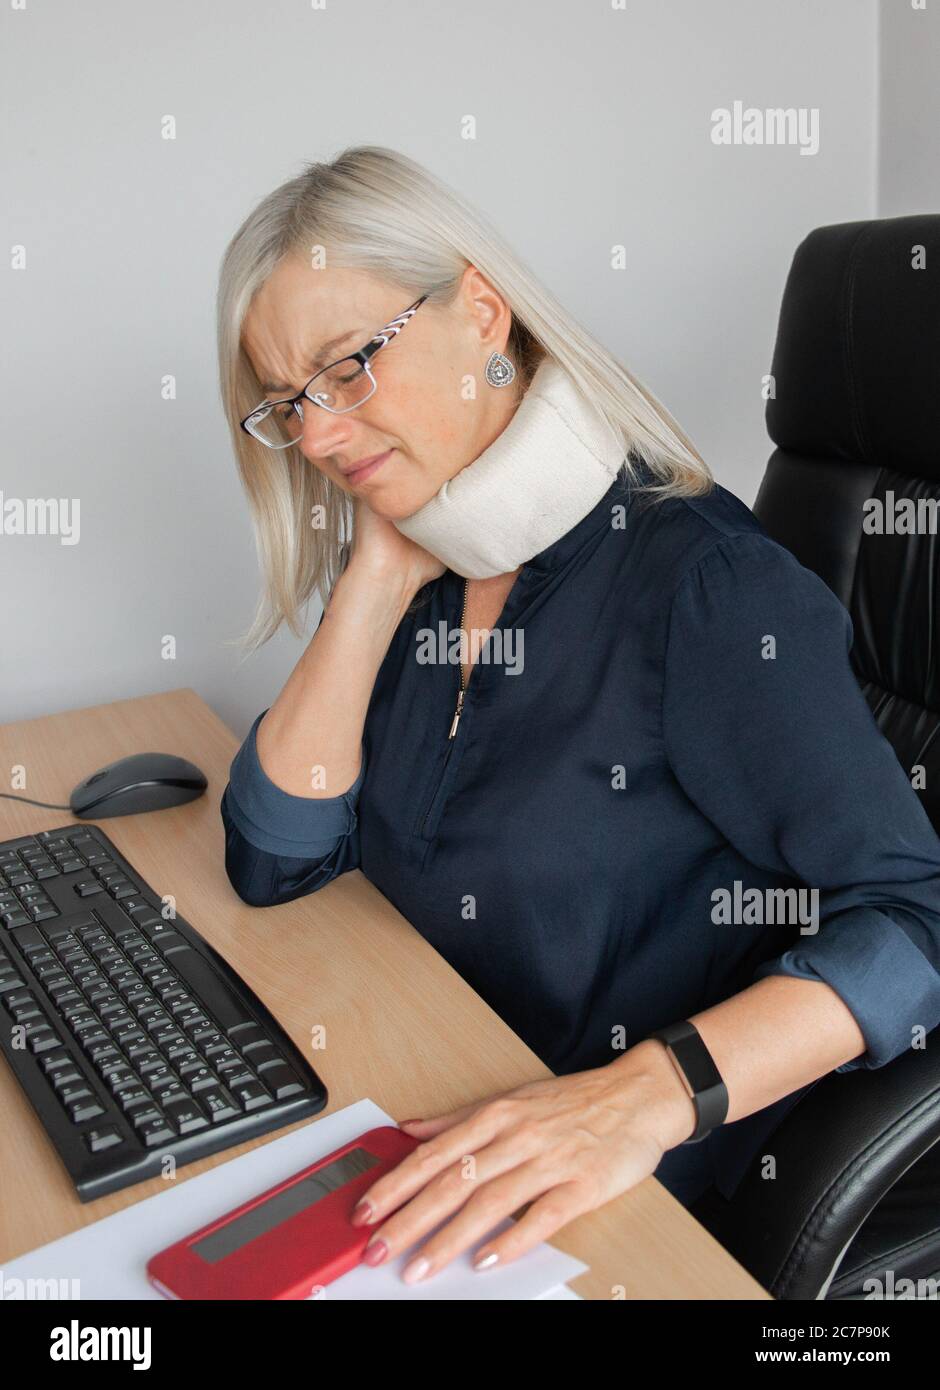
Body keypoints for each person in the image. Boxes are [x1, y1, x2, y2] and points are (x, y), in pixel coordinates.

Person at [215, 145, 940, 1286]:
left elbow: (917, 913)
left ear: (484, 314)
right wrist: (371, 583)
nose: (314, 437)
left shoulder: (703, 588)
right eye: (286, 403)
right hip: (426, 1103)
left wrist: (645, 1096)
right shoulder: (435, 563)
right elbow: (273, 861)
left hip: (598, 1193)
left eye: (347, 366)